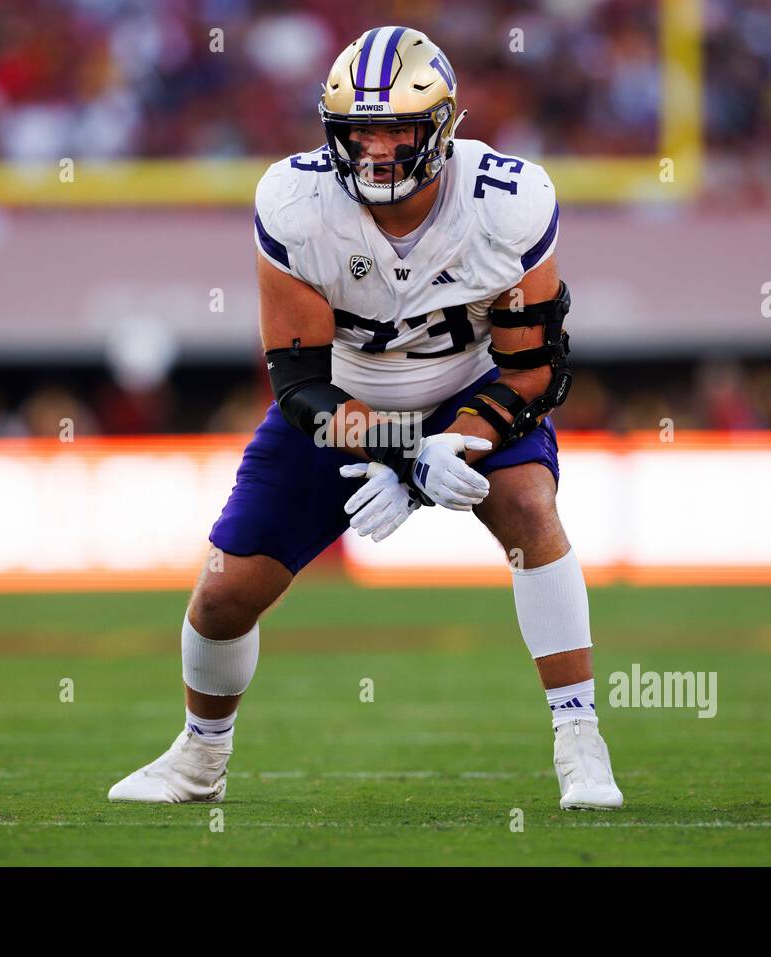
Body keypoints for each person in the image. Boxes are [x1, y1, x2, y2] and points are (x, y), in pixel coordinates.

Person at [110, 26, 622, 811]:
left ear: (442, 130)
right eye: (360, 131)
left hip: (468, 387)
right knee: (221, 592)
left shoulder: (507, 203)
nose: (378, 150)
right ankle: (198, 758)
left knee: (527, 505)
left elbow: (534, 371)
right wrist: (407, 456)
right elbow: (299, 385)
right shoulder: (295, 202)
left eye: (398, 130)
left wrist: (444, 449)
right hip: (340, 398)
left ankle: (580, 737)